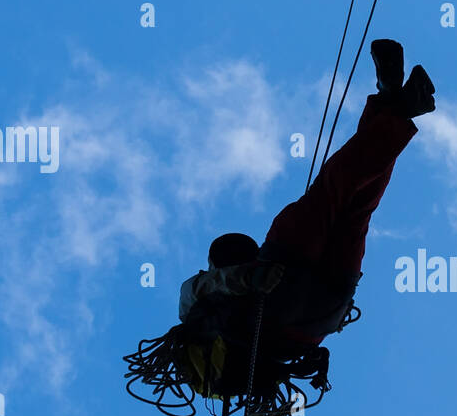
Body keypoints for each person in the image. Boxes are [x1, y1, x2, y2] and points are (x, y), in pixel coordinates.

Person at [176, 39, 435, 384]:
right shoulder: (197, 296)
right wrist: (251, 277)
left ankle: (393, 103)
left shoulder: (214, 319)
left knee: (358, 205)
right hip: (285, 292)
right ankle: (394, 105)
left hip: (321, 313)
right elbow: (215, 283)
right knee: (339, 188)